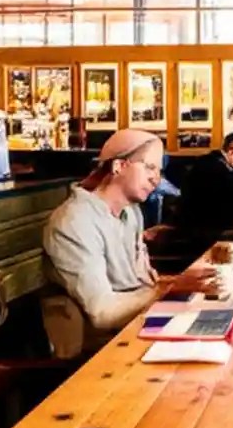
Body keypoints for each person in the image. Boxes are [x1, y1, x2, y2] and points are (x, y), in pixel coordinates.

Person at [39, 129, 204, 358]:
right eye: (149, 167)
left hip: (137, 330)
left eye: (159, 170)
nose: (156, 178)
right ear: (118, 166)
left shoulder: (132, 212)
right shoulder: (73, 222)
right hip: (97, 354)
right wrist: (171, 287)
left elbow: (144, 282)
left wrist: (190, 282)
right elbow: (102, 313)